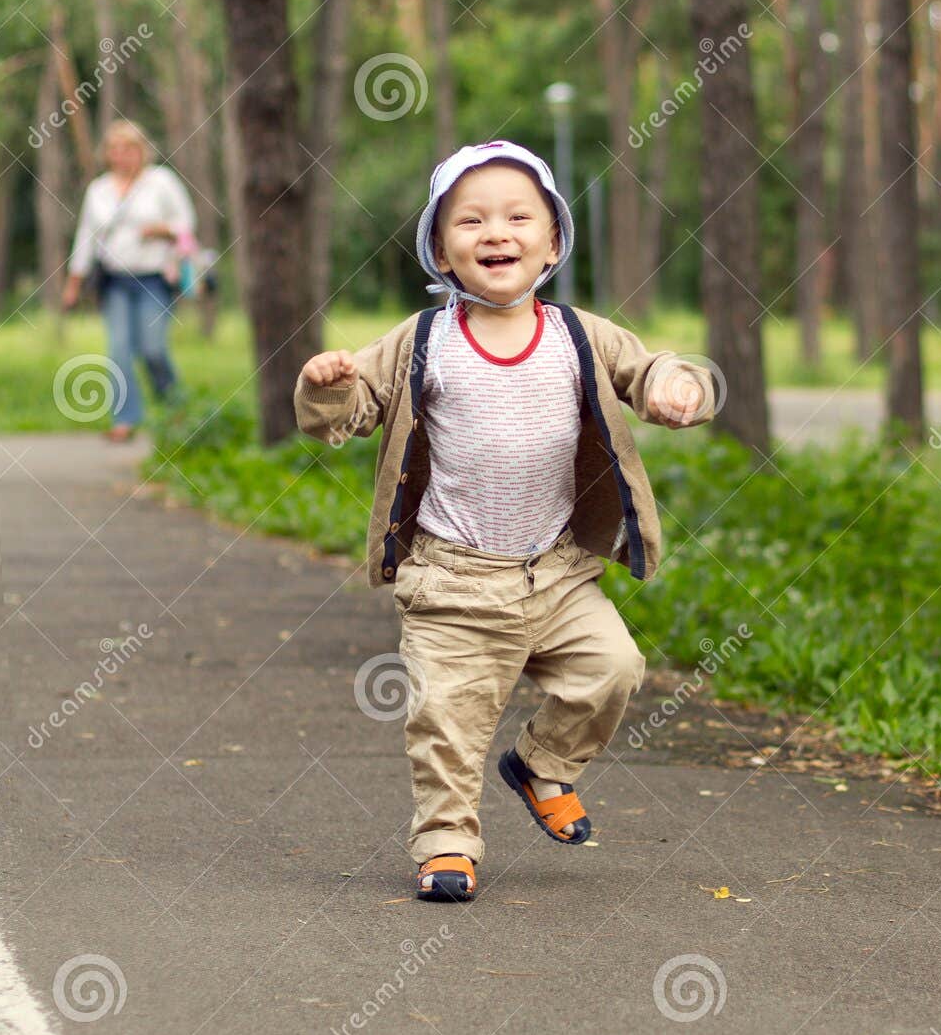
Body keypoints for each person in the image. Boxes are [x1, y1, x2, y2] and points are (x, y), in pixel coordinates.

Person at [294, 140, 715, 903]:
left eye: (520, 217)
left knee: (612, 671)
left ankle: (543, 764)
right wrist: (328, 387)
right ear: (442, 250)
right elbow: (354, 414)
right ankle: (448, 843)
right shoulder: (423, 341)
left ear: (552, 241)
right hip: (452, 579)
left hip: (554, 573)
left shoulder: (579, 335)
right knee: (445, 722)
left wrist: (675, 384)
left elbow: (643, 369)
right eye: (471, 221)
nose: (496, 233)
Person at [62, 121, 196, 441]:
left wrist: (161, 230)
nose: (122, 156)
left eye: (129, 149)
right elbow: (86, 237)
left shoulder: (161, 181)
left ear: (142, 151)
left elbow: (186, 222)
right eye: (116, 150)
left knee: (153, 349)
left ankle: (174, 410)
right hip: (115, 281)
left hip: (153, 279)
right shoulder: (99, 189)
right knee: (119, 350)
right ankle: (125, 419)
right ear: (108, 154)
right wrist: (73, 282)